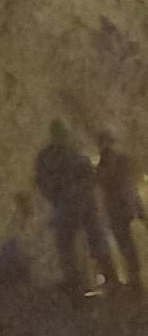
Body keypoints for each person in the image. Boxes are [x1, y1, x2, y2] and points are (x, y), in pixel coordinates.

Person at [35, 118, 115, 296]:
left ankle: (93, 280)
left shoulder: (56, 156)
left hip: (75, 204)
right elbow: (44, 182)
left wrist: (66, 195)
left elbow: (87, 179)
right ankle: (84, 282)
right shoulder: (69, 155)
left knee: (82, 242)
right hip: (72, 204)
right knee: (77, 243)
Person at [100, 134, 143, 292]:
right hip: (122, 207)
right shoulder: (120, 160)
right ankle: (135, 277)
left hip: (118, 209)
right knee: (127, 244)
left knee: (126, 244)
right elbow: (129, 185)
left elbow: (118, 184)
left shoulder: (108, 163)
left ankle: (135, 278)